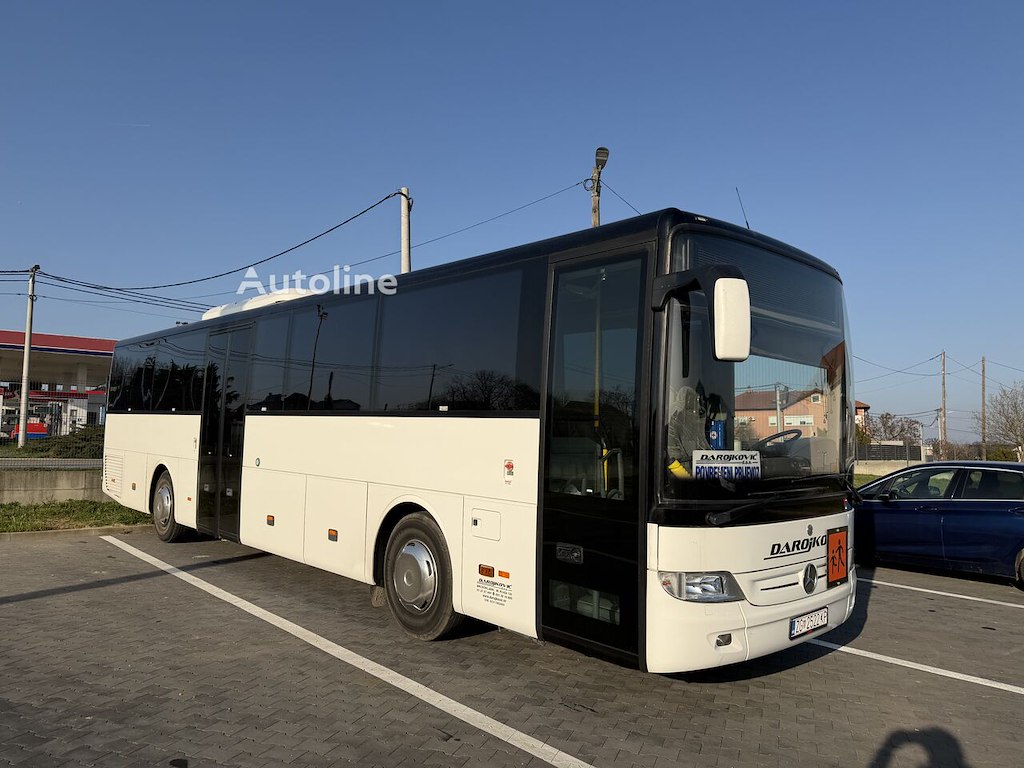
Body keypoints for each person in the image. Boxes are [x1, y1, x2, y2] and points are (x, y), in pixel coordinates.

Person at [665, 385, 710, 479]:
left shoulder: (695, 419)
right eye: (694, 401)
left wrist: (714, 460)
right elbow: (672, 452)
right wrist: (685, 478)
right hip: (680, 474)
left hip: (694, 473)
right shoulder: (674, 417)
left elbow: (702, 442)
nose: (697, 407)